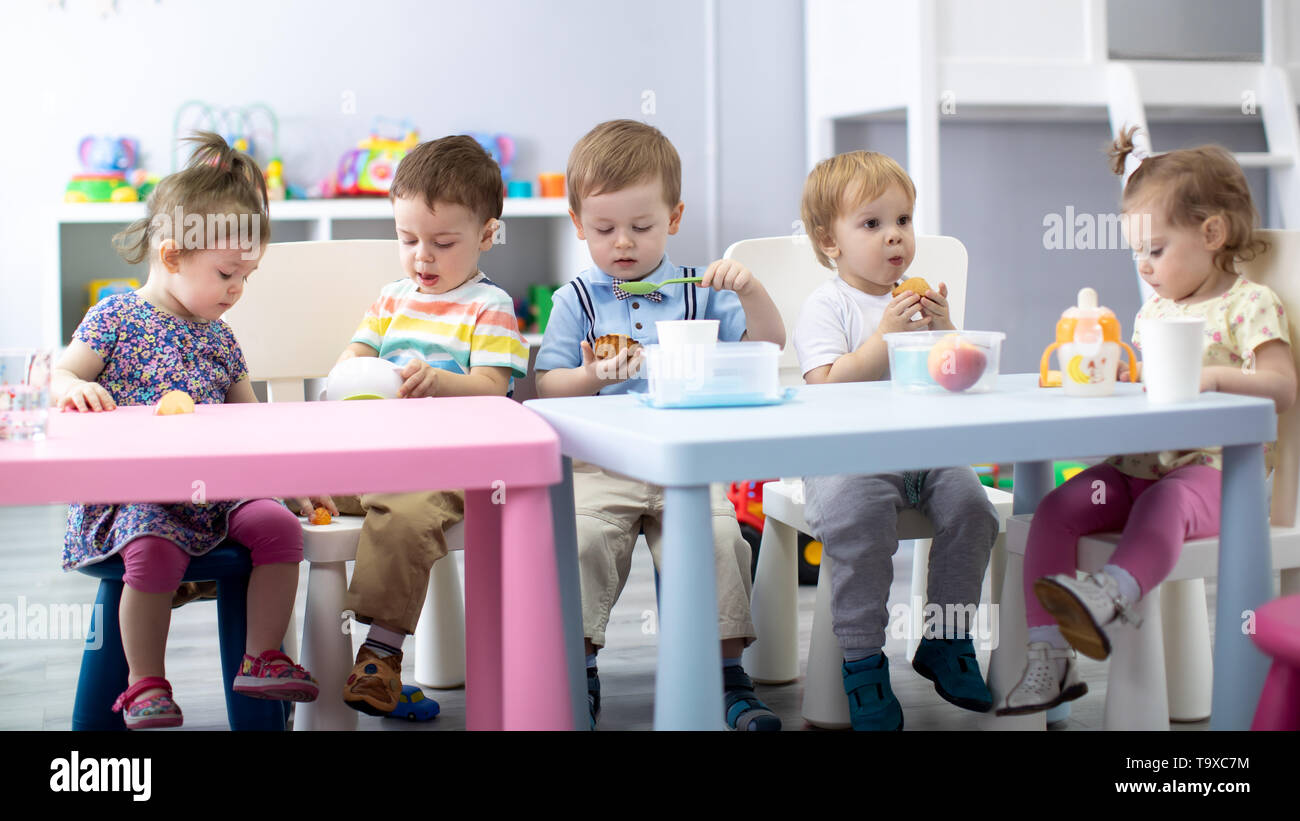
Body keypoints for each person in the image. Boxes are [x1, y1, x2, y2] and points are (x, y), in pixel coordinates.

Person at [998, 127, 1297, 715]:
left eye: (1156, 249)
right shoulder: (1153, 312)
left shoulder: (1249, 303)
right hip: (1138, 466)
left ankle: (1111, 596)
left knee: (1164, 506)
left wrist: (1211, 379)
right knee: (1056, 509)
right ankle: (1049, 656)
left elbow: (1283, 387)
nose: (1145, 265)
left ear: (1211, 233)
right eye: (1136, 252)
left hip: (1213, 475)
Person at [53, 132, 317, 729]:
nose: (237, 291)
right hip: (133, 498)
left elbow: (252, 425)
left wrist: (291, 485)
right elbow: (62, 370)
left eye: (247, 278)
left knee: (278, 527)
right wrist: (72, 387)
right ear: (171, 256)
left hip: (217, 498)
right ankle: (144, 682)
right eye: (227, 273)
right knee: (150, 547)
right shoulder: (116, 316)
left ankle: (262, 657)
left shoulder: (220, 339)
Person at [535, 119, 786, 730]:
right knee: (583, 545)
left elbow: (770, 347)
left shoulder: (701, 292)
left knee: (723, 544)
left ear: (674, 218)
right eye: (603, 229)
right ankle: (579, 671)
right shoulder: (578, 301)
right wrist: (593, 375)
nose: (623, 242)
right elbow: (546, 385)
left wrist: (751, 292)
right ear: (577, 225)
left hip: (690, 470)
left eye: (642, 227)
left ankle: (725, 677)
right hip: (602, 469)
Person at [316, 135, 528, 716]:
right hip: (374, 458)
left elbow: (493, 387)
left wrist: (439, 381)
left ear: (486, 235)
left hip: (446, 468)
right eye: (407, 240)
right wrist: (349, 372)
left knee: (406, 517)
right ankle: (204, 580)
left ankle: (379, 656)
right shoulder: (391, 299)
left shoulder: (490, 306)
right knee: (282, 489)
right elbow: (353, 355)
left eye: (442, 243)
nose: (422, 258)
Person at [794, 150, 1000, 731]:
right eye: (872, 224)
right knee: (858, 525)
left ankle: (947, 637)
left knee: (973, 510)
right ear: (828, 242)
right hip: (845, 457)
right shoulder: (827, 305)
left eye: (903, 221)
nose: (895, 239)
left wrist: (945, 330)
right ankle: (861, 661)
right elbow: (825, 388)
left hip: (925, 453)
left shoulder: (918, 304)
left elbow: (959, 377)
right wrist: (885, 337)